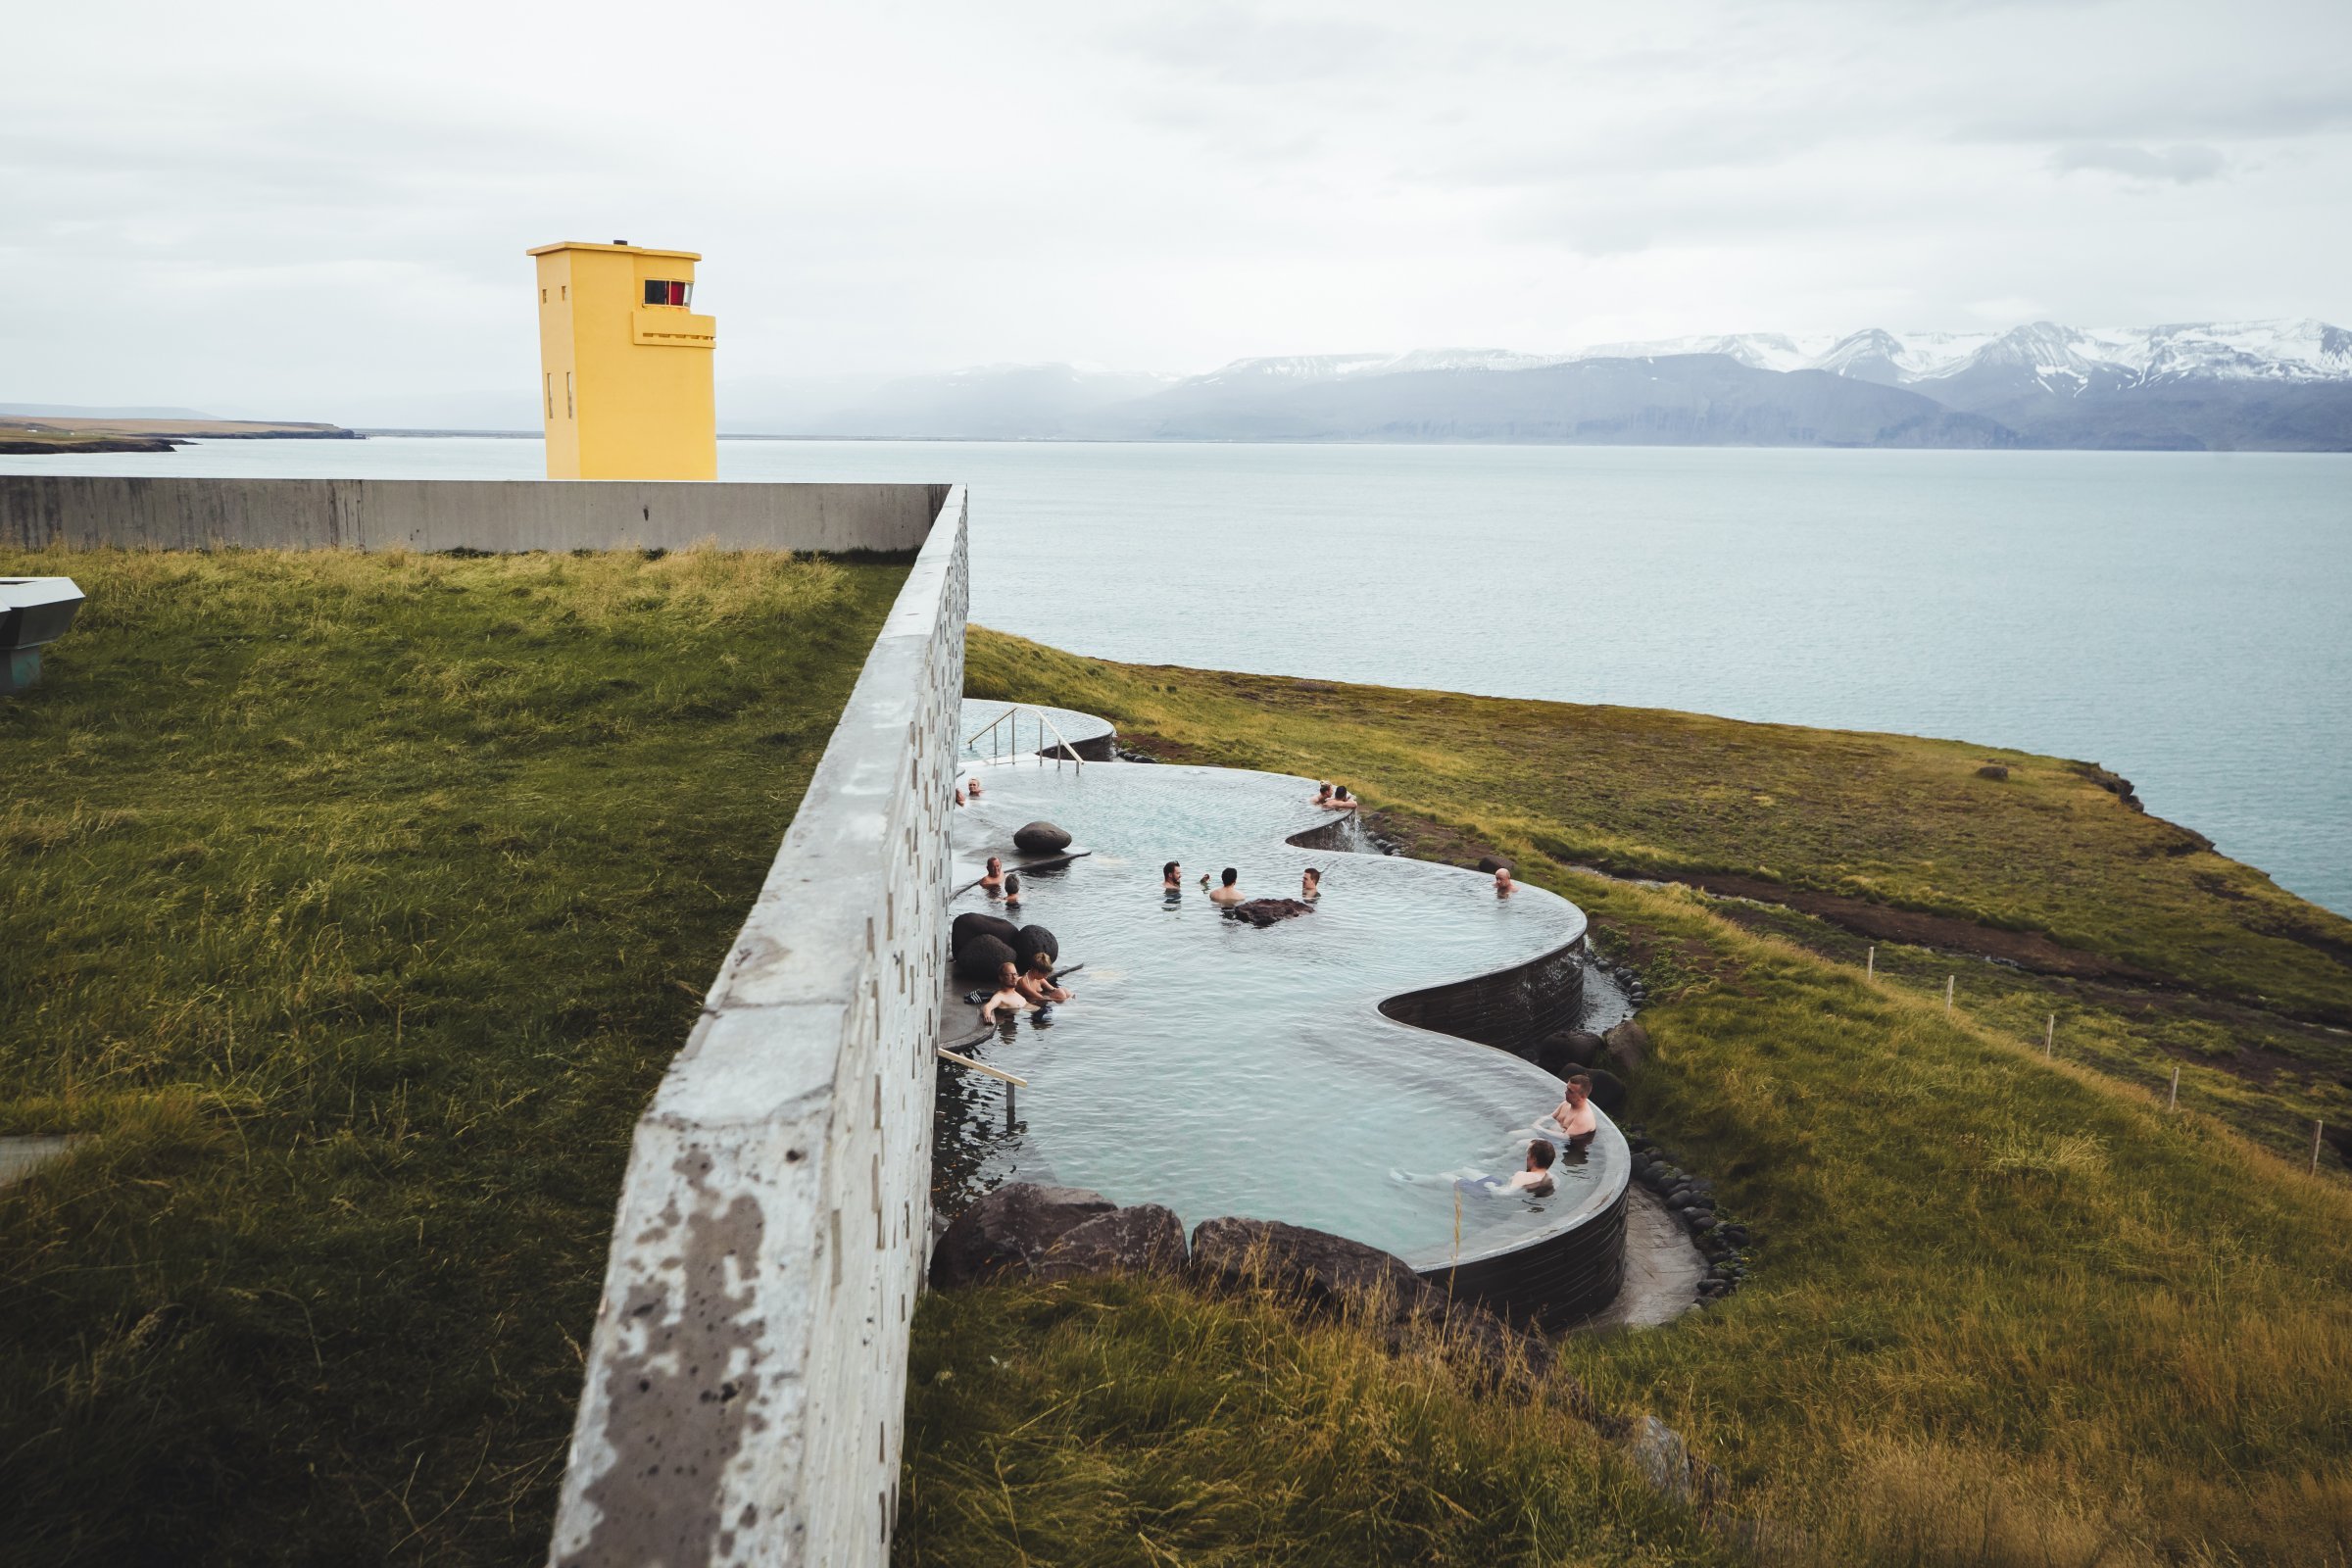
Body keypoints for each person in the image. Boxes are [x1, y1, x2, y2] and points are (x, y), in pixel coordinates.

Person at [1549, 1074, 1598, 1151]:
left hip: (1567, 1148)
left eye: (1570, 1091)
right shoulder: (1566, 1103)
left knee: (1526, 1144)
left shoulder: (1584, 1117)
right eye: (1567, 1088)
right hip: (1551, 1136)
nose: (1565, 1092)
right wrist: (1537, 1124)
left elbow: (1564, 1137)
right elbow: (1550, 1117)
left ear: (1582, 1097)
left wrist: (1539, 1129)